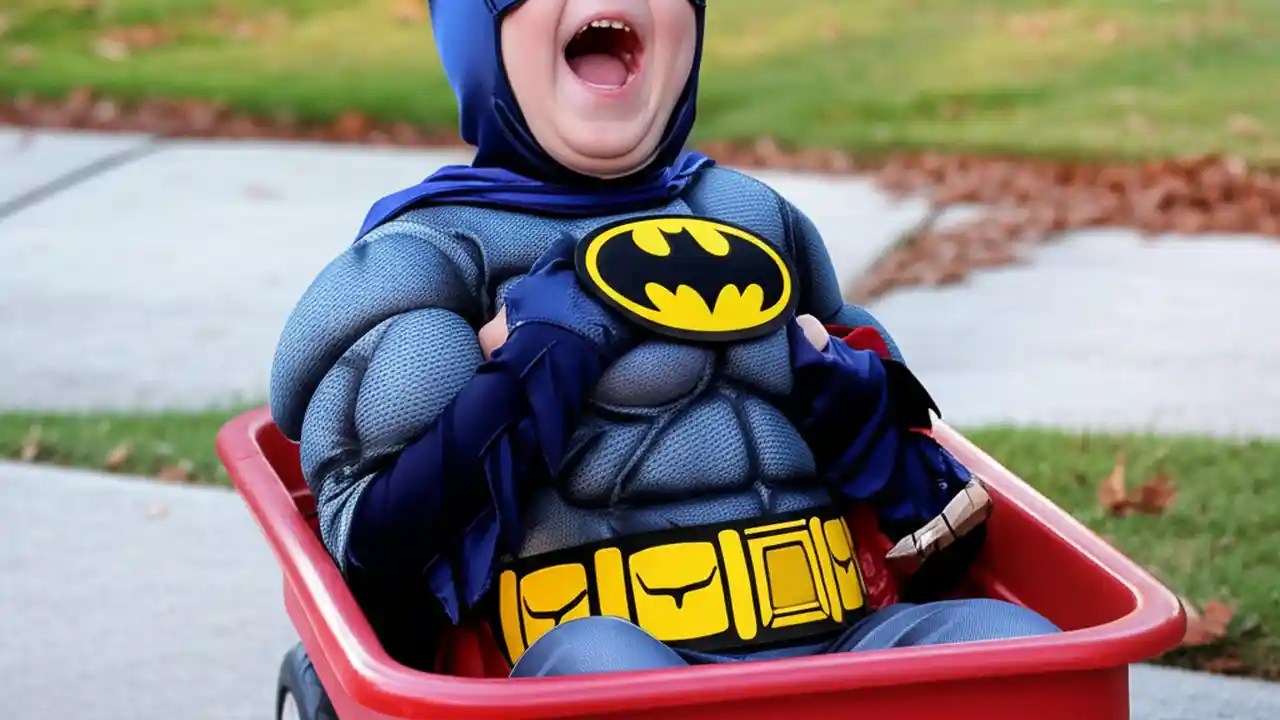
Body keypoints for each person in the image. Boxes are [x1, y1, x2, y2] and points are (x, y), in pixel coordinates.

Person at [270, 0, 1058, 690]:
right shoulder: (432, 259)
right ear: (482, 28)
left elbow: (946, 536)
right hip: (584, 656)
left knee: (1026, 655)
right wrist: (521, 379)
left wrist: (856, 409)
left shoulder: (753, 220)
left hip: (835, 643)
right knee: (611, 671)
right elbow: (375, 577)